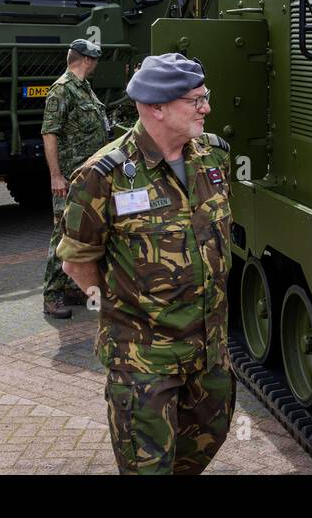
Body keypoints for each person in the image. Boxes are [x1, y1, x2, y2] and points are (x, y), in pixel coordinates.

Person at [57, 53, 234, 475]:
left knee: (199, 453)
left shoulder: (214, 156)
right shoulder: (103, 176)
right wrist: (125, 309)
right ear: (157, 107)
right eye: (195, 100)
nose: (206, 108)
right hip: (144, 362)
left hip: (210, 354)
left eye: (205, 97)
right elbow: (77, 261)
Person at [40, 37, 110, 319]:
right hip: (70, 178)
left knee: (80, 232)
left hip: (87, 178)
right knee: (62, 234)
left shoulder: (84, 89)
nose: (94, 65)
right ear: (86, 60)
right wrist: (56, 176)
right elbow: (49, 133)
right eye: (93, 60)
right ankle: (51, 294)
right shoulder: (62, 90)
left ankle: (71, 288)